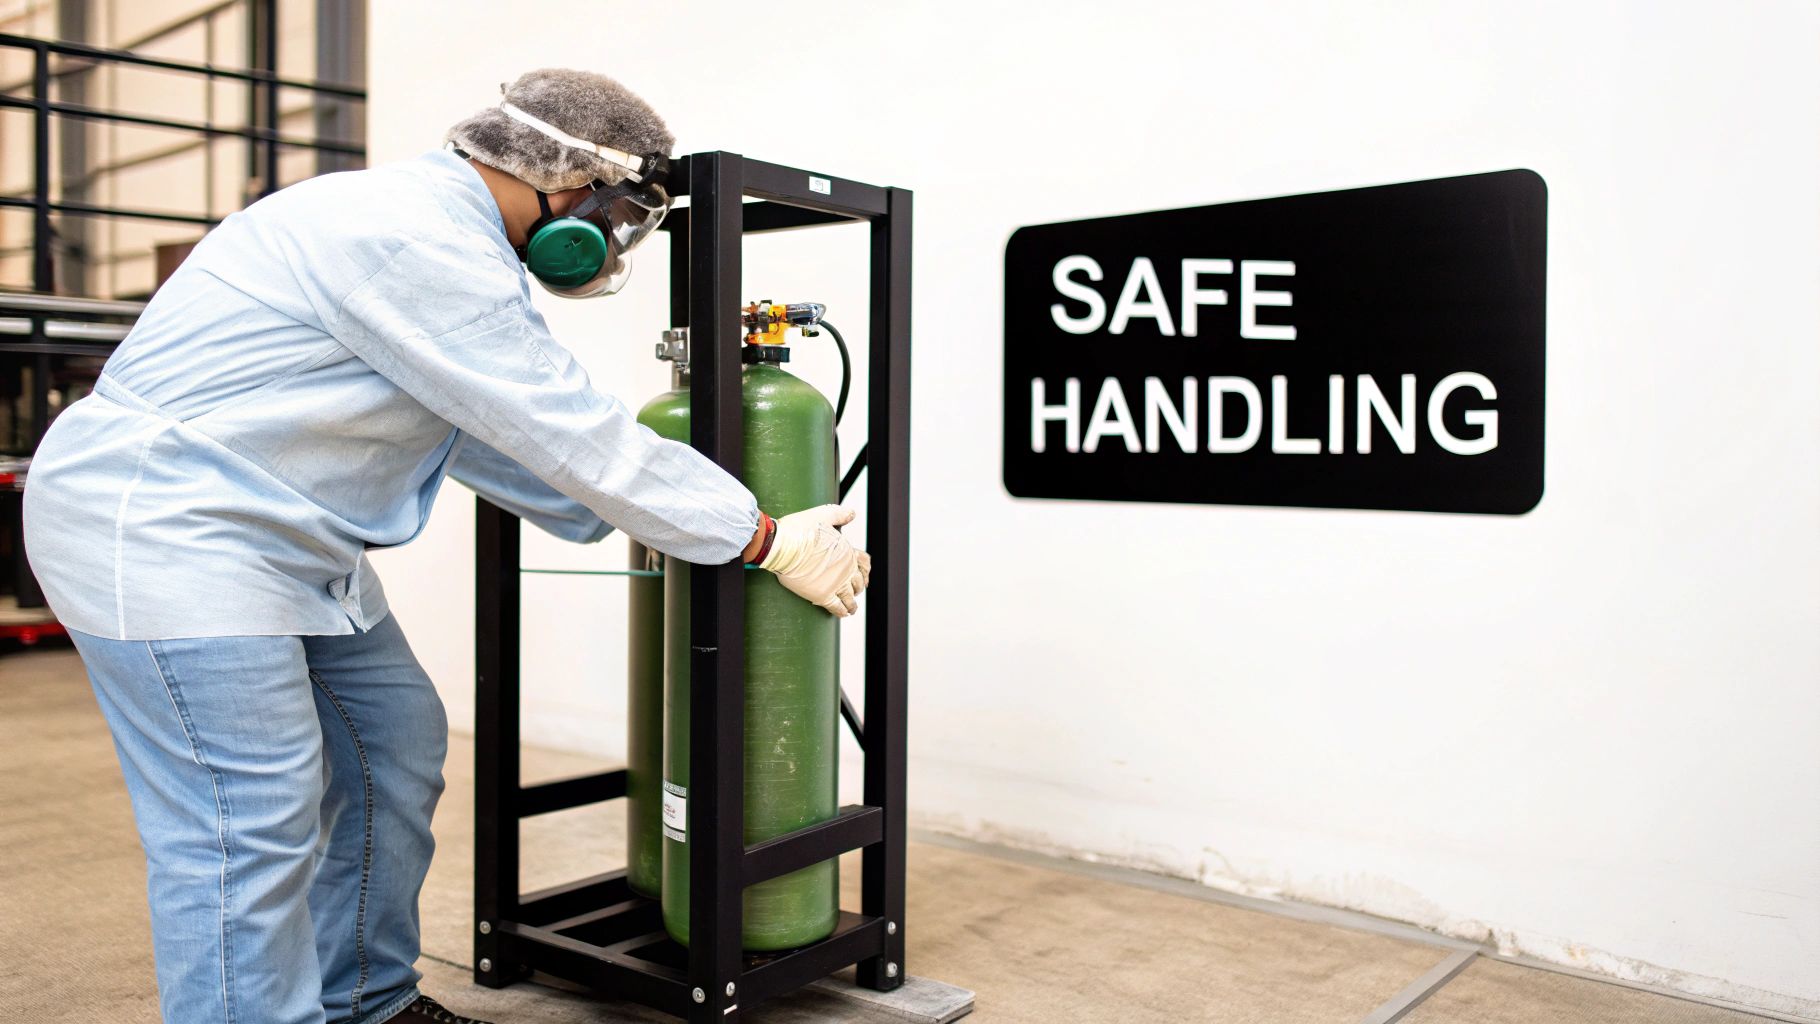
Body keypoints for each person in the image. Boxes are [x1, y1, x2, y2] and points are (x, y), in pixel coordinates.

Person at [22, 68, 869, 1024]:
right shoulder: (410, 235)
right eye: (623, 211)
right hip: (174, 532)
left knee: (395, 742)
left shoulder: (454, 246)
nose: (617, 239)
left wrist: (665, 523)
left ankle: (368, 1001)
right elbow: (562, 425)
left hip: (287, 540)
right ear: (566, 182)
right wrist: (758, 536)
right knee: (245, 823)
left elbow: (485, 429)